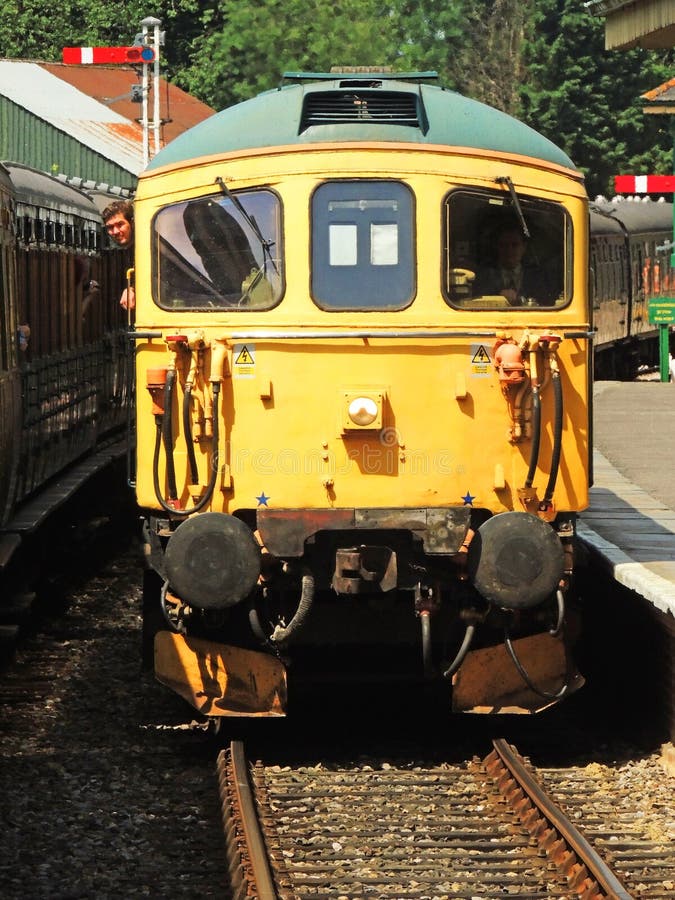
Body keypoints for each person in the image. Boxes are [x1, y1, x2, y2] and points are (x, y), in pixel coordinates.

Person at [474, 223, 555, 306]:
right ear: (497, 247)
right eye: (504, 245)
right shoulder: (484, 276)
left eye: (515, 245)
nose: (509, 250)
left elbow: (547, 303)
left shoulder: (537, 276)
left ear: (524, 247)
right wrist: (497, 297)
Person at [102, 199, 135, 310]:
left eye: (120, 224)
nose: (115, 231)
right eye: (110, 227)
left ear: (131, 222)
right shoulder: (129, 249)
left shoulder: (147, 243)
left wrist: (133, 289)